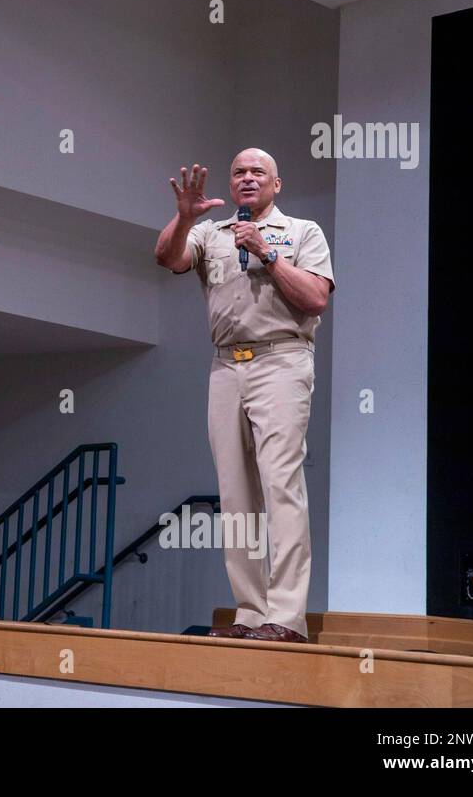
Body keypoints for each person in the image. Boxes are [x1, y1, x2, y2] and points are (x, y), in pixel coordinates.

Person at [153, 149, 334, 643]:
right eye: (239, 173)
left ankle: (287, 617)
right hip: (225, 365)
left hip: (281, 360)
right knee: (235, 498)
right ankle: (250, 613)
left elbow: (316, 298)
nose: (247, 178)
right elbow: (167, 257)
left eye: (258, 172)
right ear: (232, 187)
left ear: (277, 183)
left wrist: (267, 252)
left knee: (281, 487)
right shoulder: (211, 234)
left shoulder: (302, 231)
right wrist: (184, 216)